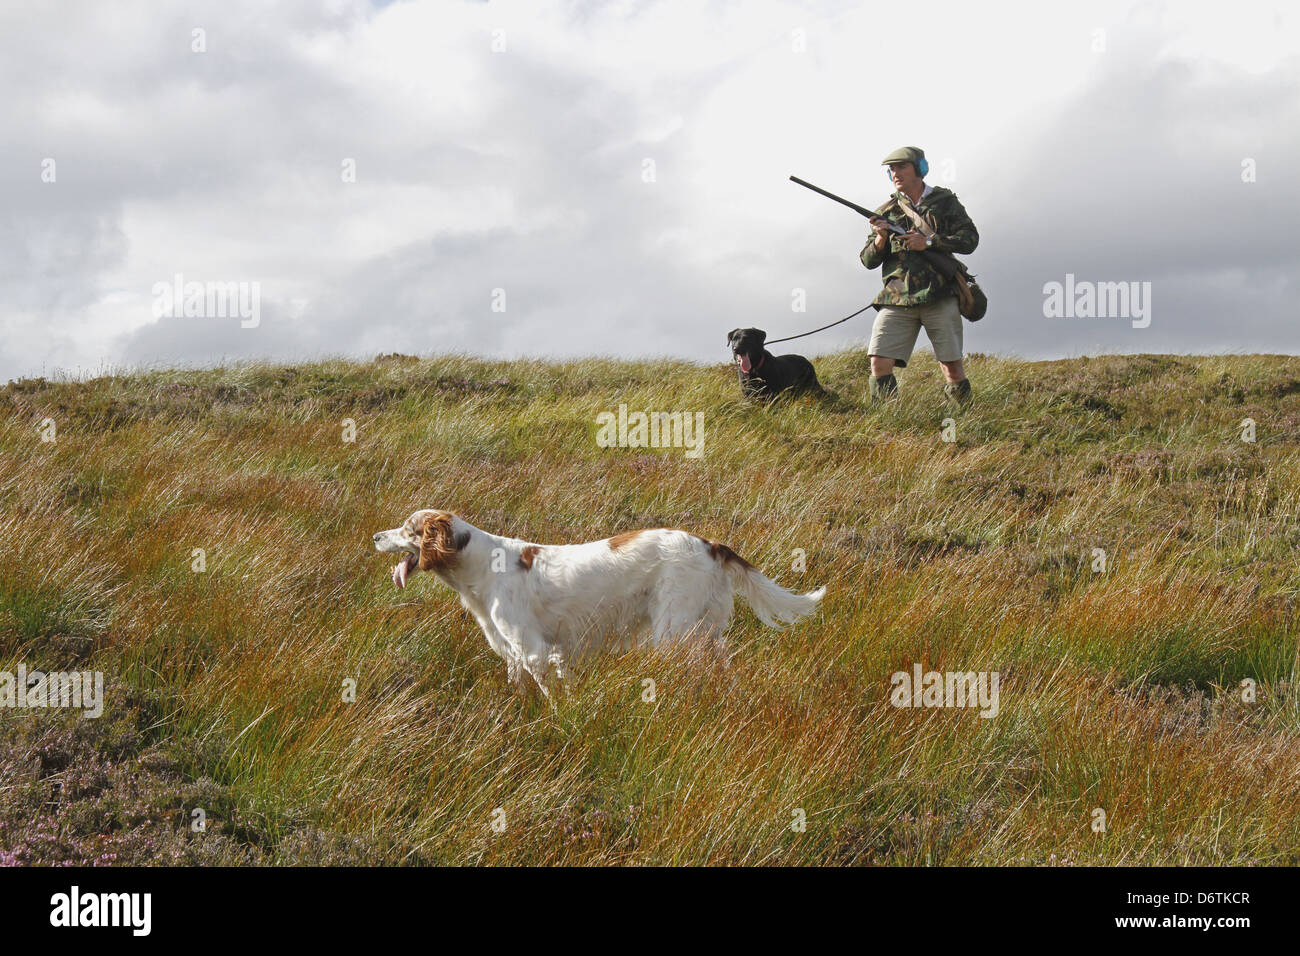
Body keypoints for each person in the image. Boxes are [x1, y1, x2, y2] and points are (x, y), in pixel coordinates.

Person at [861, 146, 979, 405]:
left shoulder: (944, 202)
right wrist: (881, 238)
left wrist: (929, 242)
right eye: (892, 169)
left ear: (919, 168)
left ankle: (962, 419)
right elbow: (868, 260)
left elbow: (970, 240)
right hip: (897, 297)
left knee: (951, 367)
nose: (895, 173)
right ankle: (886, 420)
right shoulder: (887, 211)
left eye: (901, 166)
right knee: (879, 361)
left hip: (940, 294)